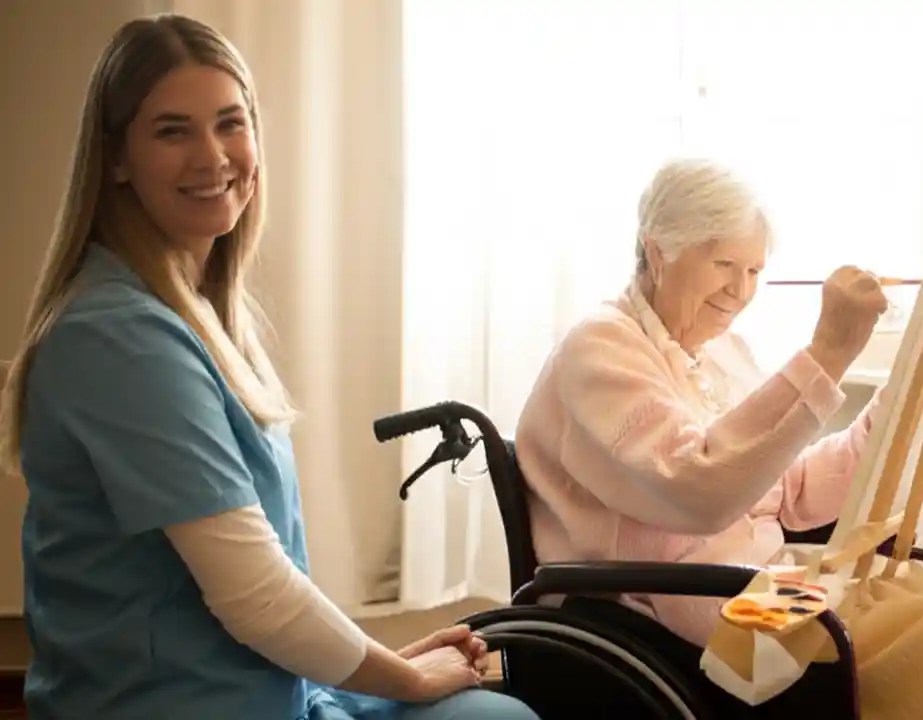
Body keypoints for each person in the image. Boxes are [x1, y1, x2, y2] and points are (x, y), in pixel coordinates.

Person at [0, 14, 537, 720]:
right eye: (172, 130)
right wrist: (407, 682)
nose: (213, 156)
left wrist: (378, 667)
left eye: (230, 123)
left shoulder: (200, 311)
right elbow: (256, 598)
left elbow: (265, 583)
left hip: (265, 693)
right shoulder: (119, 339)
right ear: (117, 158)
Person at [514, 158, 923, 718]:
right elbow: (699, 492)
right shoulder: (601, 347)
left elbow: (788, 490)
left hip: (770, 585)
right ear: (658, 249)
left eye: (754, 271)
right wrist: (827, 356)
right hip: (689, 609)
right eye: (724, 264)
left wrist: (896, 409)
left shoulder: (721, 350)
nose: (740, 291)